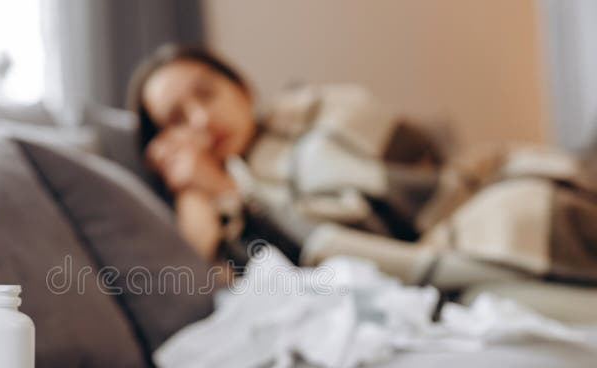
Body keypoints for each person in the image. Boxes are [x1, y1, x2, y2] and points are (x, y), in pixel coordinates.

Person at [128, 44, 597, 289]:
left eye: (206, 94)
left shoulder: (320, 113)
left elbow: (392, 199)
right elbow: (200, 284)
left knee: (531, 207)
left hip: (454, 207)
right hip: (413, 262)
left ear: (242, 88)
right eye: (176, 119)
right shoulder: (223, 202)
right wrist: (203, 190)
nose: (202, 119)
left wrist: (236, 192)